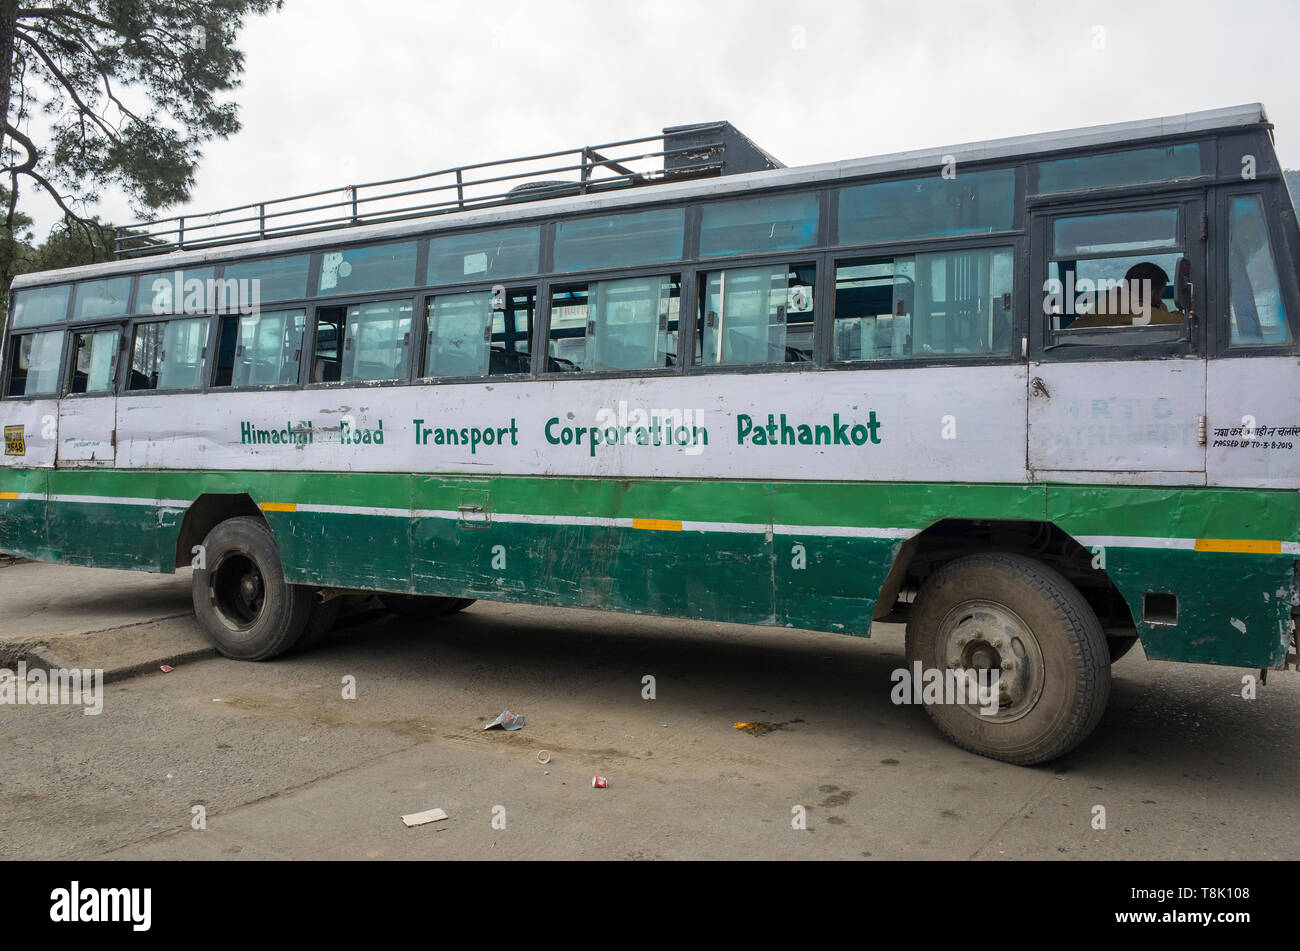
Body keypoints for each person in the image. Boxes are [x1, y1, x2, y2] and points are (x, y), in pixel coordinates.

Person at [1070, 261, 1183, 328]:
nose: (1160, 300)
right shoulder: (1128, 306)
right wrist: (1165, 312)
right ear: (1152, 294)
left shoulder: (1114, 300)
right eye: (1161, 294)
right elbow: (1179, 323)